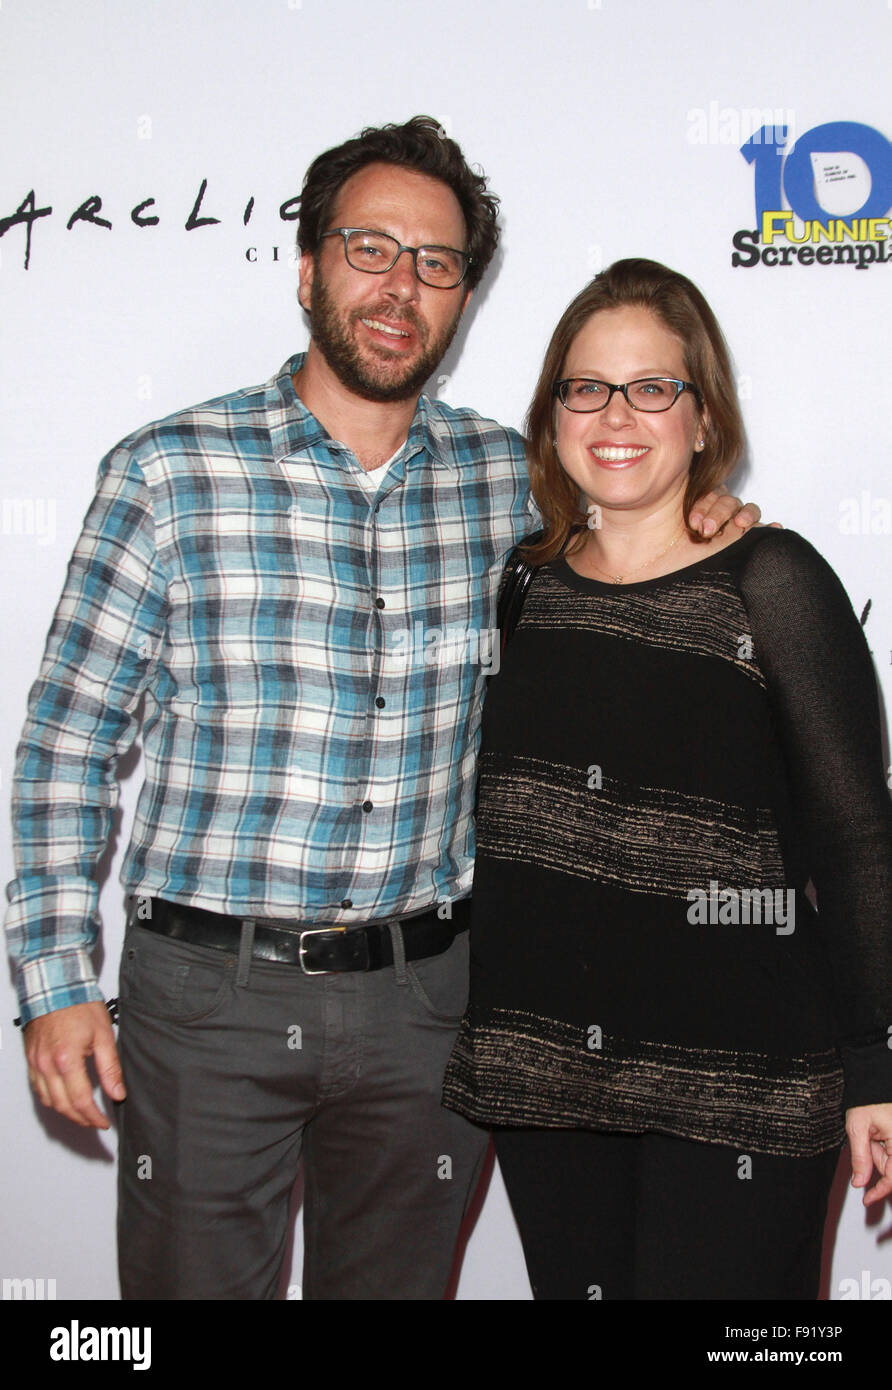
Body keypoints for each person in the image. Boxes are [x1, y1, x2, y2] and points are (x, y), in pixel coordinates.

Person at [5, 124, 757, 1301]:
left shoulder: (515, 483)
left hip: (429, 1002)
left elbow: (640, 535)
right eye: (370, 248)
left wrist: (713, 522)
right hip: (207, 1001)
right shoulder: (166, 472)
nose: (400, 285)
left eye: (436, 262)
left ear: (462, 298)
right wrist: (53, 980)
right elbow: (68, 744)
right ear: (308, 267)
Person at [443, 257, 892, 1301]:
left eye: (652, 387)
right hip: (548, 1075)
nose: (616, 415)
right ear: (553, 415)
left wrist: (876, 1065)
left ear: (703, 418)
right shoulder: (521, 588)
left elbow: (857, 839)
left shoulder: (772, 578)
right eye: (586, 387)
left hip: (745, 1082)